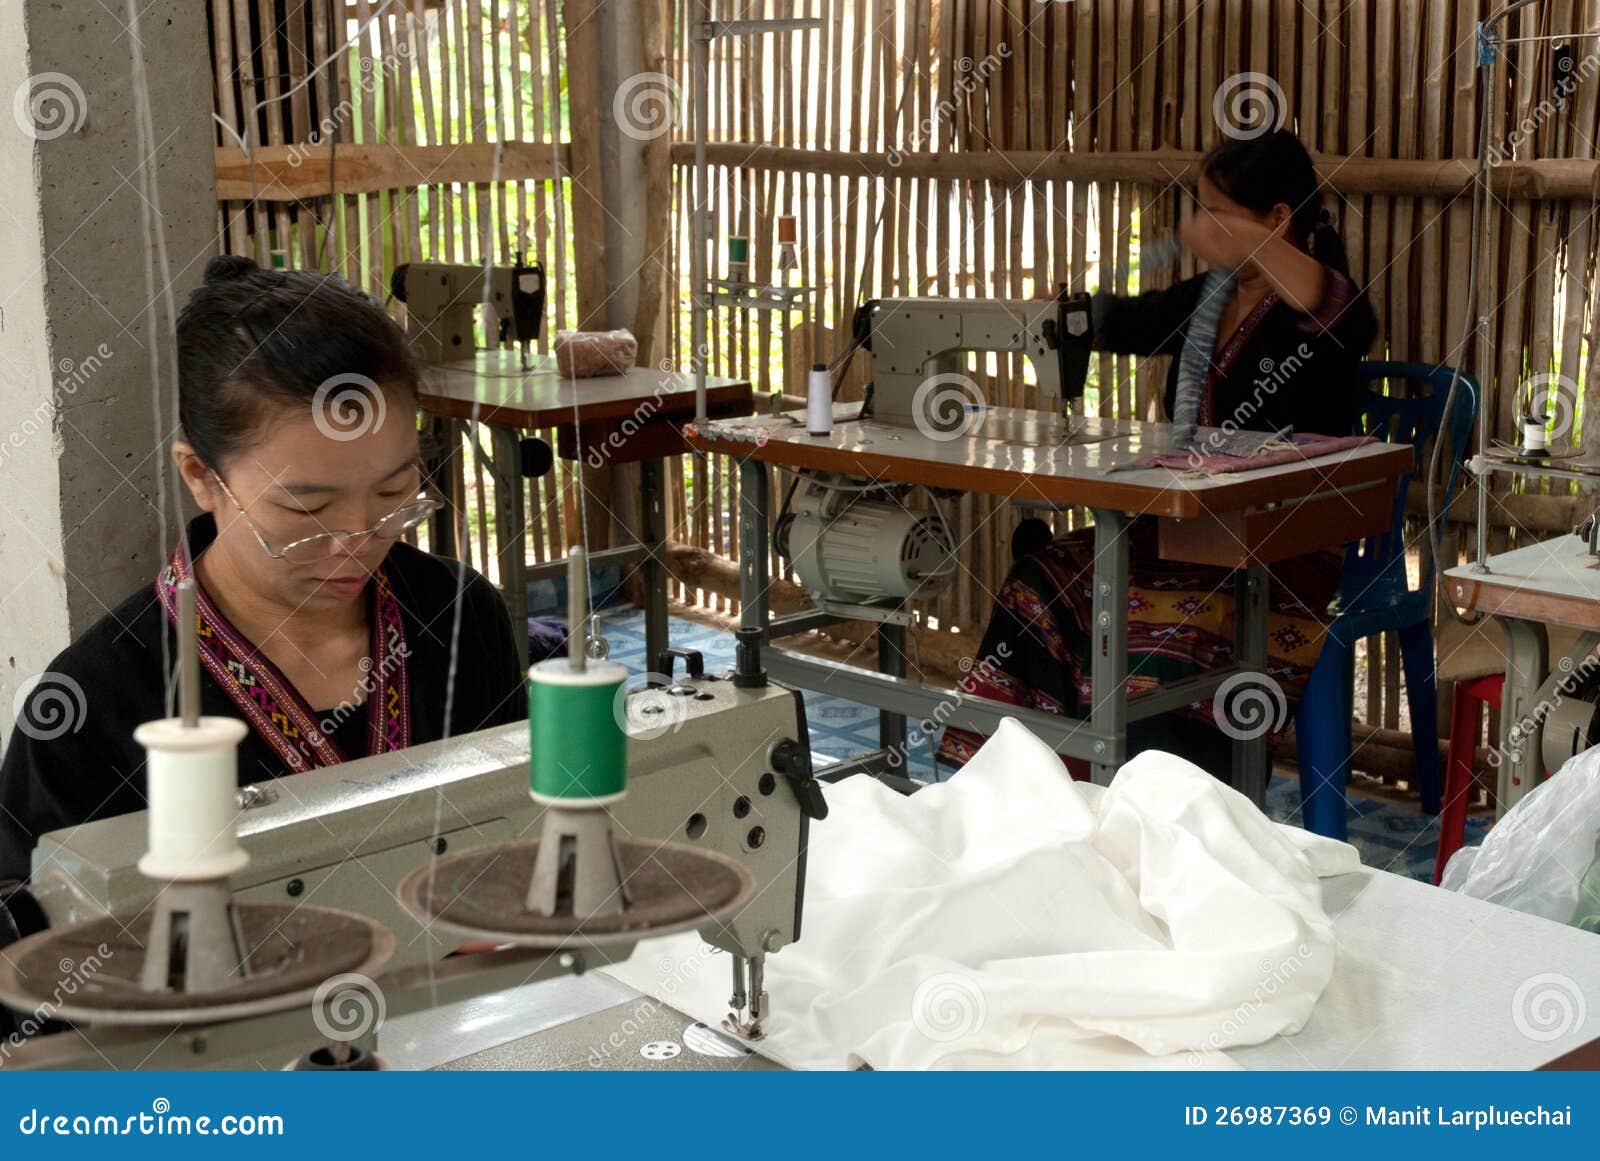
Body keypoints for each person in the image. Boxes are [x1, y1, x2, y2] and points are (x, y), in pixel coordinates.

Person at [0, 256, 525, 902]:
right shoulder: (93, 706)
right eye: (307, 509)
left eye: (394, 491)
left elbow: (522, 828)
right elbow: (32, 961)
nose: (358, 541)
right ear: (201, 478)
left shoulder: (457, 614)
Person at [940, 130, 1379, 774]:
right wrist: (1065, 313)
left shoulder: (1325, 307)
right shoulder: (1210, 297)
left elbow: (1345, 316)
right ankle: (1025, 780)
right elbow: (1127, 322)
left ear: (1278, 219)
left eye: (1219, 213)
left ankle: (1169, 795)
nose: (1201, 227)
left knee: (1169, 615)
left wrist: (1252, 243)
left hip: (1283, 542)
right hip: (1191, 532)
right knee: (1045, 574)